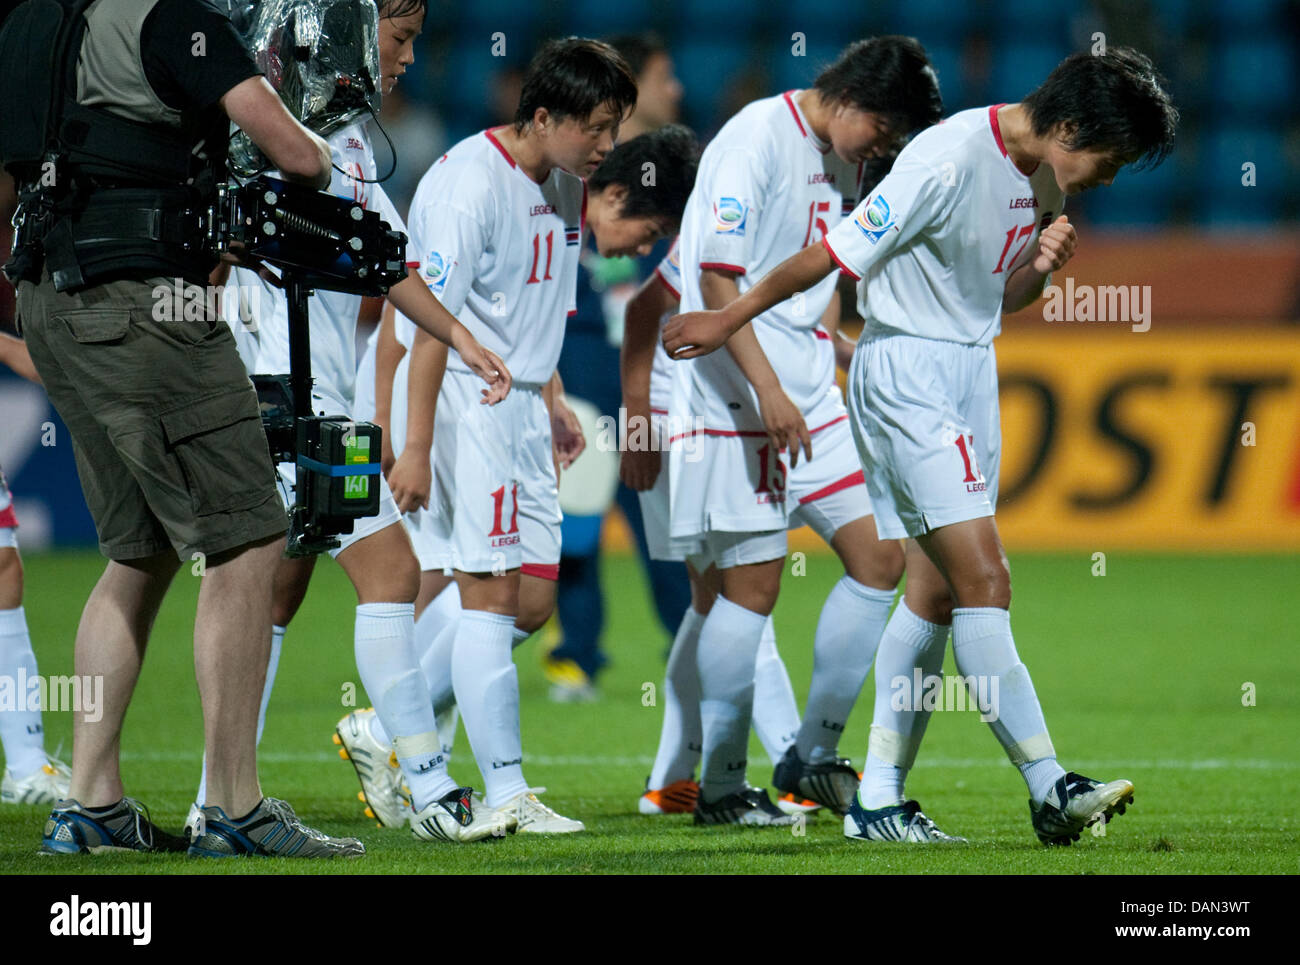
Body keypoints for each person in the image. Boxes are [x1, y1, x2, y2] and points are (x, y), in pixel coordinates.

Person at [664, 47, 1177, 845]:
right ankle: (1051, 784)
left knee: (933, 592)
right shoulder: (942, 160)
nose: (1108, 179)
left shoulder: (1039, 175)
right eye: (1109, 160)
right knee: (987, 578)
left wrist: (1039, 269)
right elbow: (827, 258)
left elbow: (994, 297)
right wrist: (726, 320)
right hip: (906, 374)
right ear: (1072, 126)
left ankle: (879, 799)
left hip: (970, 370)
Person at [1, 0, 368, 856]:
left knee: (138, 550)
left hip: (53, 299)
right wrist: (312, 152)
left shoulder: (26, 26)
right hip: (147, 301)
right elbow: (291, 154)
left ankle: (92, 805)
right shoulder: (173, 21)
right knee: (248, 534)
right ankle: (236, 809)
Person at [344, 99, 699, 834]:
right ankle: (503, 790)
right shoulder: (477, 183)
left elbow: (523, 321)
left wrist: (554, 398)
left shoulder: (559, 197)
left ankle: (384, 729)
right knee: (486, 594)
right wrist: (401, 436)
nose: (644, 248)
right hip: (464, 408)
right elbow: (413, 319)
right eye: (650, 230)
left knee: (531, 602)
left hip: (521, 404)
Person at [212, 0, 514, 848]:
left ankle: (216, 794)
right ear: (339, 35)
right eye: (399, 36)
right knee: (390, 572)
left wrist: (461, 339)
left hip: (315, 400)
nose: (409, 58)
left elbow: (394, 264)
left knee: (271, 591)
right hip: (281, 398)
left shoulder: (341, 146)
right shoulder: (276, 142)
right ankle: (429, 786)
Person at [643, 37, 941, 827]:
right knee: (750, 588)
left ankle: (810, 754)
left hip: (810, 395)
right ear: (848, 99)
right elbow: (716, 276)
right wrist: (768, 389)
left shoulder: (841, 158)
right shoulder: (752, 140)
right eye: (881, 132)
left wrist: (835, 348)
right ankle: (719, 784)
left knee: (879, 558)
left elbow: (822, 273)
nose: (880, 150)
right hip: (734, 399)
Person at [546, 32, 690, 701]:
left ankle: (688, 639)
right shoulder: (576, 181)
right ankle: (574, 654)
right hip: (578, 371)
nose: (676, 91)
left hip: (644, 377)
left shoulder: (678, 186)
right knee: (573, 529)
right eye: (664, 77)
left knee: (662, 530)